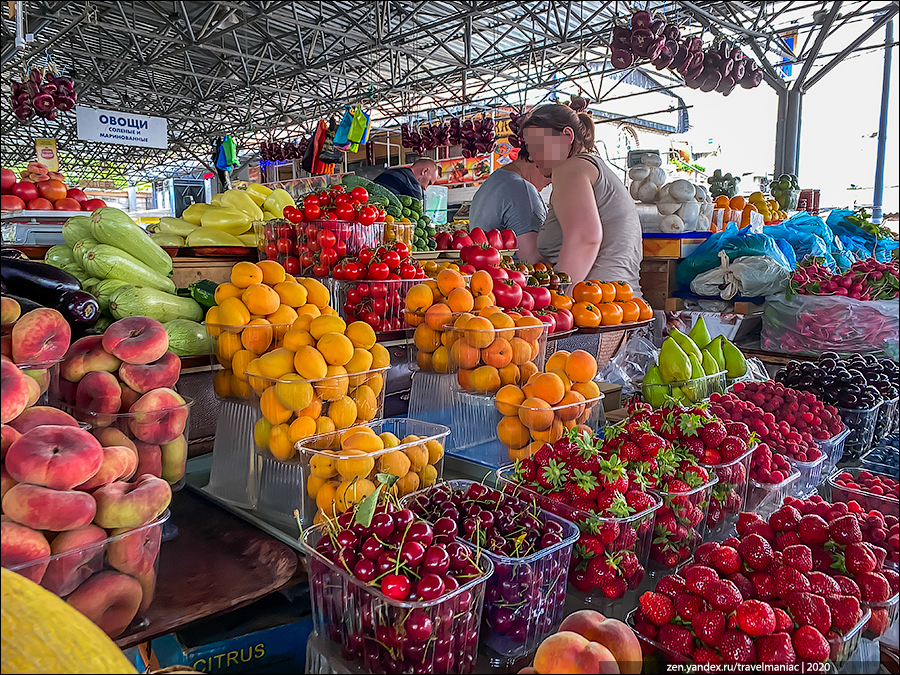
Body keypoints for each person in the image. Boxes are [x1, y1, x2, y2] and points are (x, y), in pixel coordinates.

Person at [520, 103, 643, 295]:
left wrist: (558, 300)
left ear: (567, 136)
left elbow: (585, 238)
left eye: (538, 146)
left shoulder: (570, 169)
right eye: (529, 148)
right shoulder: (591, 168)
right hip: (620, 308)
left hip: (595, 308)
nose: (531, 156)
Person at [468, 155, 550, 264]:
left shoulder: (491, 182)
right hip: (512, 278)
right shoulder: (521, 189)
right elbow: (534, 261)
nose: (552, 180)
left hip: (487, 276)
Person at [373, 157, 441, 202]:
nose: (425, 188)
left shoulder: (390, 172)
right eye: (429, 182)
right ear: (425, 171)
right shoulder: (413, 185)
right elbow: (417, 218)